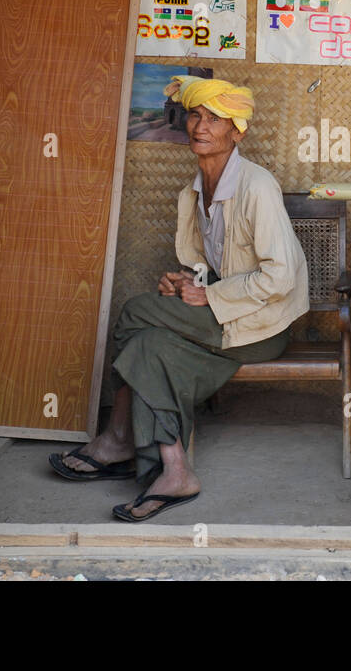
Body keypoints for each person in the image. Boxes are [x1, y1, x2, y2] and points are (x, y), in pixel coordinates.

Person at [49, 76, 309, 522]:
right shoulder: (193, 191)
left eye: (214, 119)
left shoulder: (256, 187)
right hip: (220, 317)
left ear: (237, 131)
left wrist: (206, 295)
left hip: (261, 326)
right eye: (194, 115)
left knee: (134, 311)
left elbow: (279, 277)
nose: (200, 126)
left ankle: (118, 439)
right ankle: (175, 471)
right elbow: (210, 265)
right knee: (148, 345)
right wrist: (186, 281)